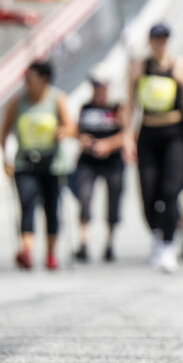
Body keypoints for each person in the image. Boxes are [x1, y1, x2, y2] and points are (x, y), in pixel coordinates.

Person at [124, 23, 183, 274]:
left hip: (174, 135)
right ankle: (158, 235)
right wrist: (127, 138)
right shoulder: (139, 67)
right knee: (149, 194)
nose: (161, 43)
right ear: (150, 41)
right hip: (148, 133)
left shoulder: (181, 67)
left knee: (170, 190)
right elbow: (130, 106)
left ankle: (169, 245)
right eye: (156, 39)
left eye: (164, 39)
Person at [0, 61, 76, 271]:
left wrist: (62, 132)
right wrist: (5, 160)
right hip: (25, 161)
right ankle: (27, 251)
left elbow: (71, 127)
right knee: (26, 203)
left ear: (44, 80)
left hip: (51, 162)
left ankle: (51, 253)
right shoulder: (18, 102)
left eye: (30, 78)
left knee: (52, 207)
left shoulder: (56, 99)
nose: (26, 83)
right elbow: (4, 132)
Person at [72, 74, 127, 263]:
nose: (99, 90)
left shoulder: (117, 108)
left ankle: (110, 243)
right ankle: (83, 242)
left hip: (112, 160)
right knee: (84, 197)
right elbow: (77, 131)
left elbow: (127, 134)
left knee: (113, 200)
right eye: (96, 86)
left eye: (101, 86)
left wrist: (108, 145)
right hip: (89, 160)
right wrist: (85, 141)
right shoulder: (85, 108)